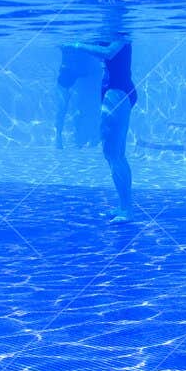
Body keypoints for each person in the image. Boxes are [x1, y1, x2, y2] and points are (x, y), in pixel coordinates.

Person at [70, 26, 138, 224]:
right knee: (114, 154)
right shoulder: (112, 35)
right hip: (115, 91)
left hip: (118, 92)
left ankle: (127, 210)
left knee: (113, 154)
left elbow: (108, 52)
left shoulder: (121, 35)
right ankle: (123, 205)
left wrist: (75, 44)